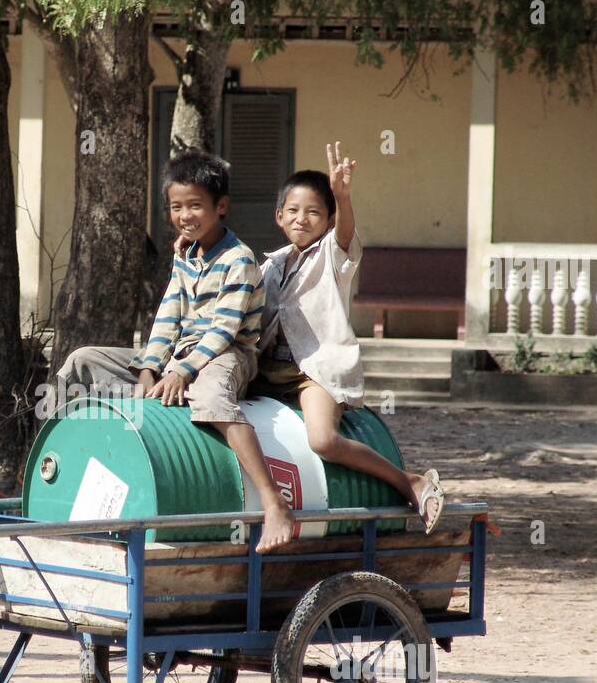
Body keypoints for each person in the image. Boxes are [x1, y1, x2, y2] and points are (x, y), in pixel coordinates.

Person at [58, 149, 297, 551]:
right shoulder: (184, 253)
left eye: (195, 206)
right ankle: (79, 460)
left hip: (227, 355)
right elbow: (168, 313)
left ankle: (273, 502)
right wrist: (150, 368)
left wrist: (182, 372)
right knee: (83, 361)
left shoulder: (239, 260)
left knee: (210, 398)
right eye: (176, 207)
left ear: (221, 207)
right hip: (177, 357)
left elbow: (224, 329)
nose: (185, 215)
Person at [251, 143, 446, 532]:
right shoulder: (270, 265)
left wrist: (342, 196)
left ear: (327, 220)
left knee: (322, 440)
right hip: (268, 371)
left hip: (312, 373)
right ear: (278, 217)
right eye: (293, 211)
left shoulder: (332, 254)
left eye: (313, 212)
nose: (302, 219)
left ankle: (410, 480)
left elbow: (345, 234)